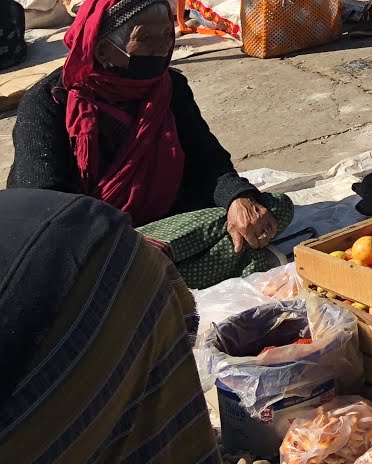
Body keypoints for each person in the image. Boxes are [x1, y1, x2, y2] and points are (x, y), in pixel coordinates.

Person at [9, 0, 292, 289]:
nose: (160, 48)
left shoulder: (169, 87)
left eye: (166, 35)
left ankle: (139, 284)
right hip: (87, 238)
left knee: (273, 209)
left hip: (167, 220)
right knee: (244, 246)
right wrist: (109, 241)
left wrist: (238, 199)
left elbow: (206, 158)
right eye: (145, 39)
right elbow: (45, 204)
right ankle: (129, 278)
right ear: (103, 48)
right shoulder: (50, 102)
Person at [0, 188, 223, 463]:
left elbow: (206, 159)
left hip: (84, 249)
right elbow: (44, 180)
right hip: (107, 242)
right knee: (158, 419)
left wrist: (237, 194)